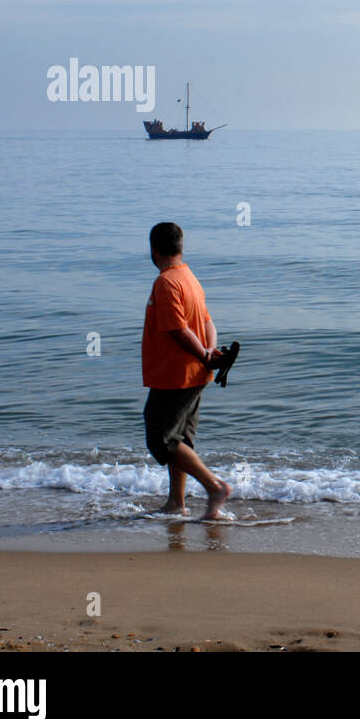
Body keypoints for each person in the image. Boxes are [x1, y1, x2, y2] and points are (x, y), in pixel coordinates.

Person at [141, 221, 232, 519]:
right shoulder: (189, 278)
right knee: (181, 439)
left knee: (161, 438)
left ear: (153, 250)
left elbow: (179, 331)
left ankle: (214, 486)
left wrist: (206, 356)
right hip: (194, 374)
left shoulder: (166, 282)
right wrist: (210, 353)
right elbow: (208, 324)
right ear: (181, 247)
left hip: (175, 375)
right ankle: (176, 503)